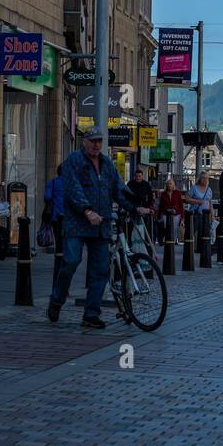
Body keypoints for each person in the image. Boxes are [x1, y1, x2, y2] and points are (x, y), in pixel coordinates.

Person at [47, 127, 134, 328]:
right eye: (92, 140)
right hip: (77, 223)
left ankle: (91, 314)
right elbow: (73, 190)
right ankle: (57, 299)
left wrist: (136, 205)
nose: (96, 144)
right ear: (84, 141)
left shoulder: (107, 164)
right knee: (71, 261)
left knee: (101, 270)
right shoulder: (73, 161)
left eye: (99, 141)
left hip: (100, 225)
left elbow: (119, 189)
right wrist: (87, 210)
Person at [185, 171, 215, 247]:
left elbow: (210, 203)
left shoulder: (209, 189)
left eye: (207, 178)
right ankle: (189, 247)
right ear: (200, 179)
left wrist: (212, 215)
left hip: (206, 215)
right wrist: (197, 201)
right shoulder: (194, 188)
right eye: (203, 178)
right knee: (192, 231)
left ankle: (201, 248)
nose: (205, 180)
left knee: (204, 232)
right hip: (195, 214)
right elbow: (187, 199)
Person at [156, 178, 184, 244]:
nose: (169, 185)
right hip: (165, 213)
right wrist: (158, 215)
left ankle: (173, 241)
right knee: (166, 227)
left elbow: (181, 205)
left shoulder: (177, 193)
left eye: (170, 184)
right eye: (168, 184)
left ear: (173, 185)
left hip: (176, 214)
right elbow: (161, 205)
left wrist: (182, 217)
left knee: (174, 228)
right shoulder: (163, 194)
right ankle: (167, 240)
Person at [44, 164, 65, 244]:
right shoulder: (72, 183)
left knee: (58, 238)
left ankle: (58, 251)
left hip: (56, 215)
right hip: (69, 217)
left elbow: (47, 197)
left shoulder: (52, 182)